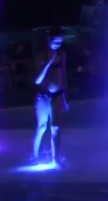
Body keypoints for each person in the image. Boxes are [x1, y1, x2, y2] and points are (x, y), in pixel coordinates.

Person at [32, 29, 68, 165]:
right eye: (55, 42)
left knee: (56, 127)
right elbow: (37, 80)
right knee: (41, 126)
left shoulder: (62, 56)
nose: (58, 45)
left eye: (60, 42)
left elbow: (64, 77)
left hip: (58, 94)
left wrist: (65, 98)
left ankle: (56, 157)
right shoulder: (40, 57)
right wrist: (48, 63)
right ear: (49, 41)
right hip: (43, 95)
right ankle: (35, 156)